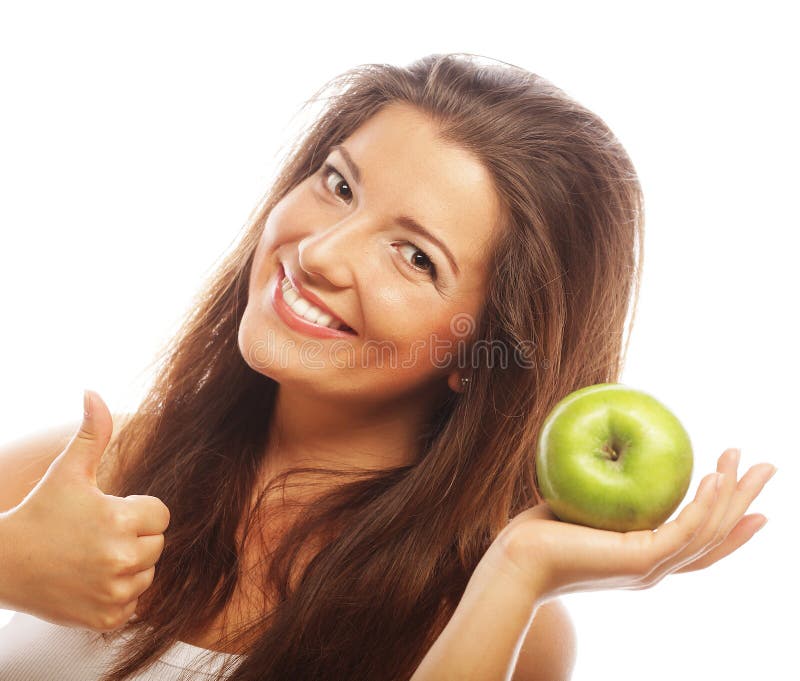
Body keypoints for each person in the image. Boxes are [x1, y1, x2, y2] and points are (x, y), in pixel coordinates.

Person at [0, 52, 776, 681]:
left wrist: (517, 568)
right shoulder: (88, 467)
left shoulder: (497, 624)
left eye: (414, 257)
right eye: (338, 184)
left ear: (480, 354)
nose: (318, 252)